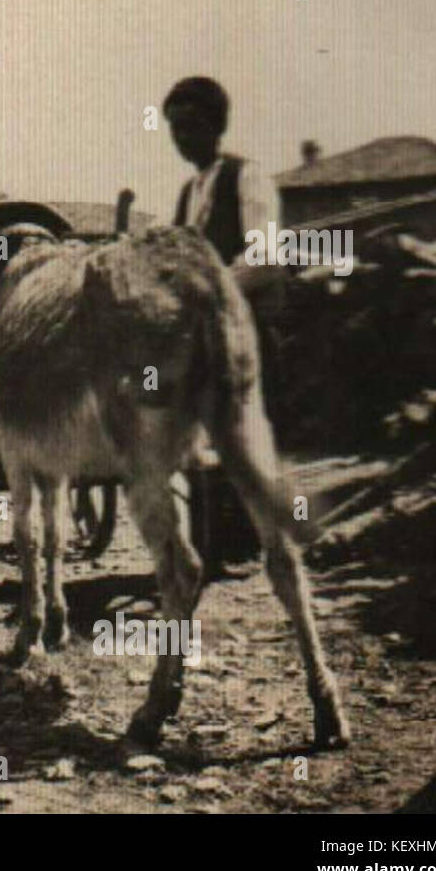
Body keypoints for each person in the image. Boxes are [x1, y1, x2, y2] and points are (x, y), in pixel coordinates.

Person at [163, 76, 287, 576]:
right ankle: (213, 552)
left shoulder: (247, 178)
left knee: (242, 438)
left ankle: (257, 549)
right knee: (200, 437)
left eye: (190, 127)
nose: (182, 138)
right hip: (201, 337)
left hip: (245, 332)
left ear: (217, 125)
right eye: (174, 128)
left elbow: (264, 257)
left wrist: (209, 292)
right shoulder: (187, 193)